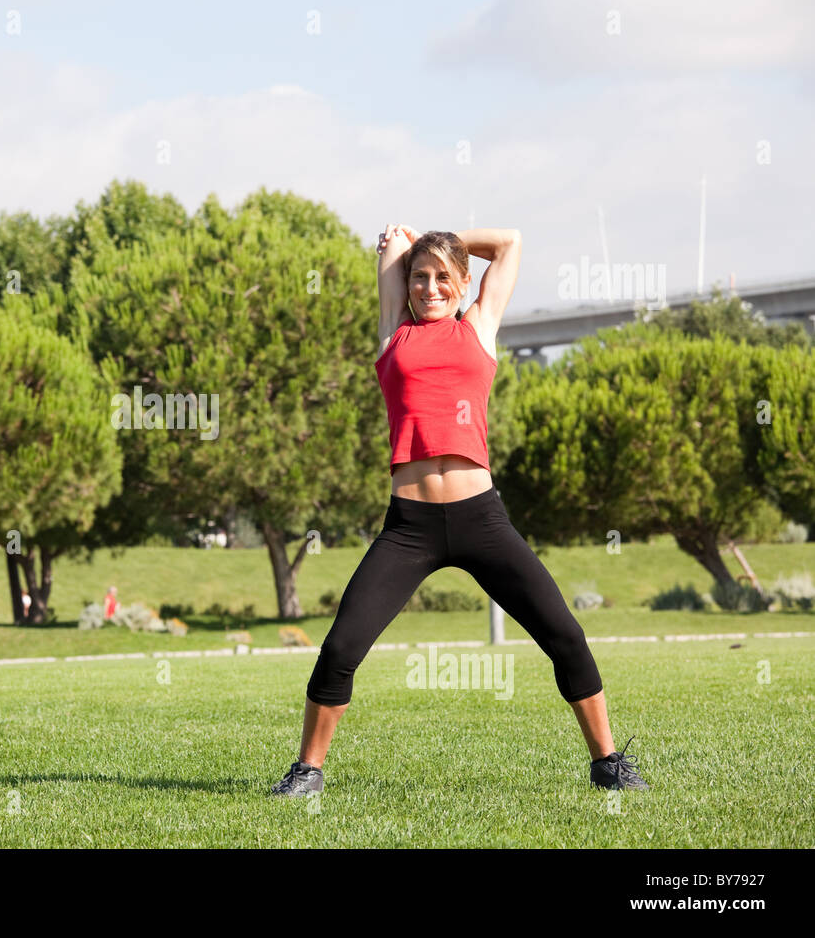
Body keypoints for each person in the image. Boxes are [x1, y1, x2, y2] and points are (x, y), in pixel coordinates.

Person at [271, 225, 648, 797]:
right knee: (342, 647)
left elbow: (512, 243)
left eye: (443, 277)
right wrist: (410, 245)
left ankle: (608, 763)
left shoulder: (479, 326)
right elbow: (394, 255)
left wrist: (433, 235)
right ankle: (307, 771)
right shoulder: (393, 332)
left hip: (481, 519)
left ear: (464, 283)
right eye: (420, 277)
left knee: (565, 636)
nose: (430, 287)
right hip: (409, 529)